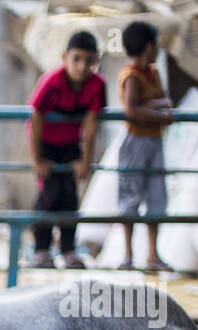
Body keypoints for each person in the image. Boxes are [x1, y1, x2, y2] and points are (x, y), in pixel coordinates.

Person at [28, 30, 105, 269]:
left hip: (71, 145)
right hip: (47, 145)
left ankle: (69, 250)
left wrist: (86, 159)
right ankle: (41, 250)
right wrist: (38, 159)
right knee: (50, 194)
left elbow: (92, 124)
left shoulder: (96, 85)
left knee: (70, 196)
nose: (82, 67)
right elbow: (35, 118)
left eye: (88, 61)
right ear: (65, 57)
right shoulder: (52, 82)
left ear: (96, 61)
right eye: (77, 59)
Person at [117, 21, 174, 272]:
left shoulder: (153, 73)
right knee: (131, 195)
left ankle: (152, 254)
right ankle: (128, 255)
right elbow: (131, 110)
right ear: (149, 46)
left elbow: (155, 103)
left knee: (156, 196)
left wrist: (152, 108)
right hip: (137, 141)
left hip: (153, 140)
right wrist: (159, 113)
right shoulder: (131, 76)